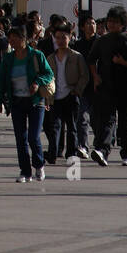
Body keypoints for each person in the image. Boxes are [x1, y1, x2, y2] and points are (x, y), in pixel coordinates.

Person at [0, 24, 55, 182]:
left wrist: (37, 82)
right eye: (9, 38)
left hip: (35, 102)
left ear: (23, 38)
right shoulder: (8, 59)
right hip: (17, 102)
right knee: (20, 138)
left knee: (33, 136)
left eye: (15, 38)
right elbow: (2, 84)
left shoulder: (36, 55)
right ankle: (25, 171)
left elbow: (49, 74)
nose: (11, 41)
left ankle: (39, 165)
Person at [89, 5, 127, 167]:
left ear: (123, 24)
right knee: (107, 121)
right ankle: (102, 151)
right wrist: (96, 77)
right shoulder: (102, 41)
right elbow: (91, 60)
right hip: (107, 87)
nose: (111, 25)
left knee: (126, 124)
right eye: (109, 21)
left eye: (115, 22)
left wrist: (123, 63)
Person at [44, 21, 89, 163]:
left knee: (72, 127)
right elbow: (45, 76)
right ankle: (53, 153)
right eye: (58, 38)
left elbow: (84, 75)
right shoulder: (50, 58)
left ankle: (71, 153)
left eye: (64, 37)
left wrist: (77, 90)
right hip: (55, 97)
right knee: (55, 126)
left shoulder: (76, 56)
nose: (61, 41)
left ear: (70, 38)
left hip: (71, 95)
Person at [72, 14, 97, 158]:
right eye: (88, 23)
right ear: (82, 27)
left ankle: (101, 145)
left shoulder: (101, 42)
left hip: (98, 85)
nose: (91, 25)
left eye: (93, 23)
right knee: (82, 117)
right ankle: (83, 146)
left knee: (96, 120)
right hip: (83, 86)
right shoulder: (78, 45)